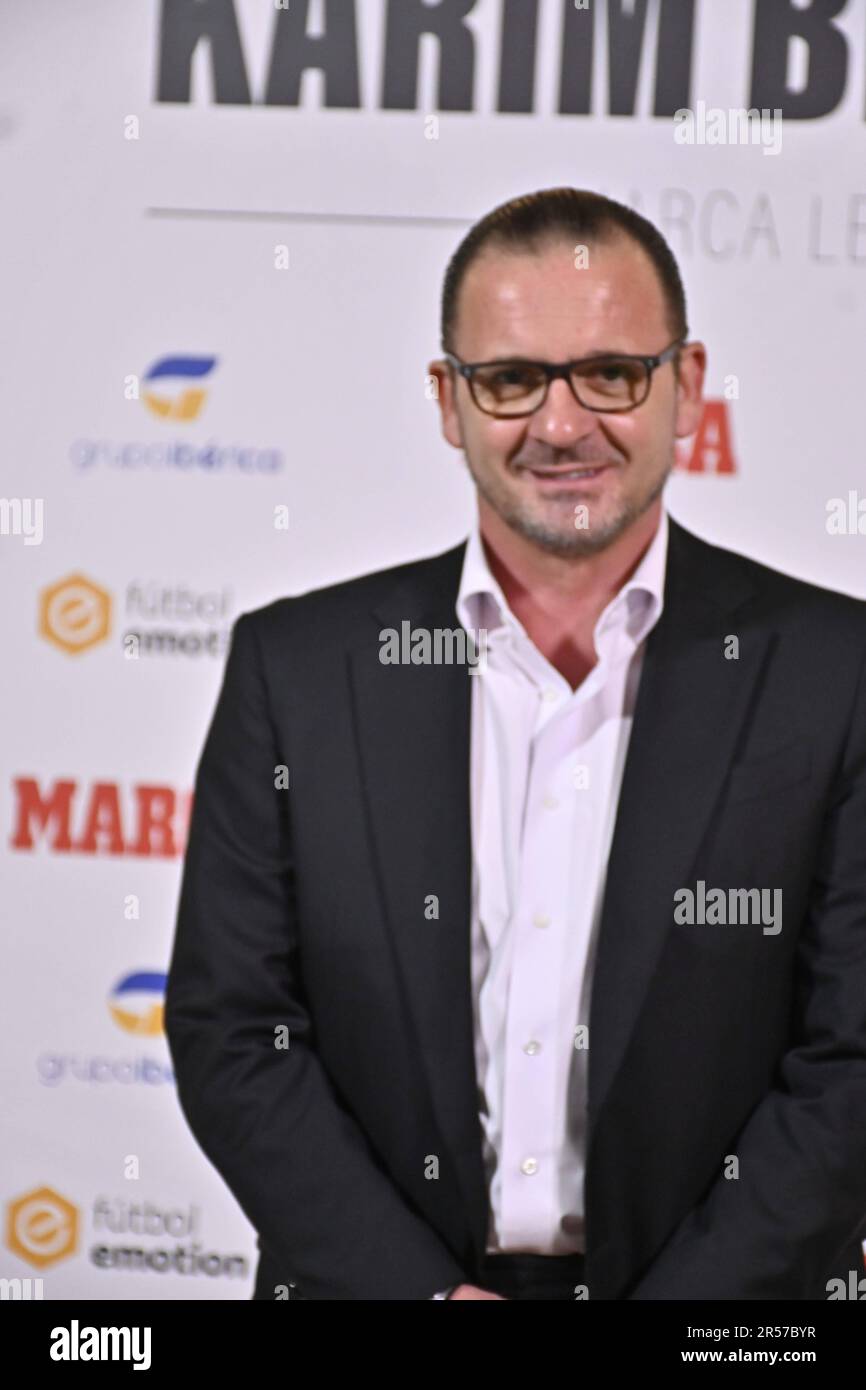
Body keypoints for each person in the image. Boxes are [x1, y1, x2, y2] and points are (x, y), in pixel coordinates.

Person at [164, 187, 866, 1301]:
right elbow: (235, 1031)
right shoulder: (295, 671)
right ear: (450, 399)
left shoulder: (836, 673)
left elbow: (850, 1063)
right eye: (510, 380)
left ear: (686, 386)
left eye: (611, 373)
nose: (561, 424)